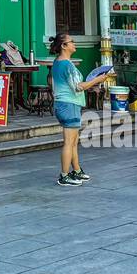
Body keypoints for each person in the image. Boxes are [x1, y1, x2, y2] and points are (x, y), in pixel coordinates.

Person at [51, 34, 110, 187]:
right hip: (68, 105)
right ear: (63, 46)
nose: (74, 44)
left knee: (73, 142)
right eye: (71, 42)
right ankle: (64, 175)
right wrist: (97, 80)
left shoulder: (58, 62)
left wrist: (91, 84)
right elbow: (78, 87)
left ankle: (76, 170)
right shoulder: (67, 65)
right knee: (69, 143)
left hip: (66, 104)